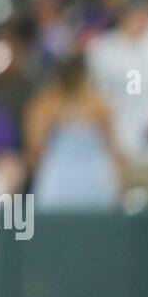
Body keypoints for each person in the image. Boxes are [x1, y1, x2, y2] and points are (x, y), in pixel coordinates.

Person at [24, 55, 127, 210]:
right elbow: (35, 147)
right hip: (58, 175)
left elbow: (112, 146)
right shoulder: (46, 104)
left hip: (95, 174)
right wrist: (43, 177)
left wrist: (118, 182)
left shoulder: (99, 104)